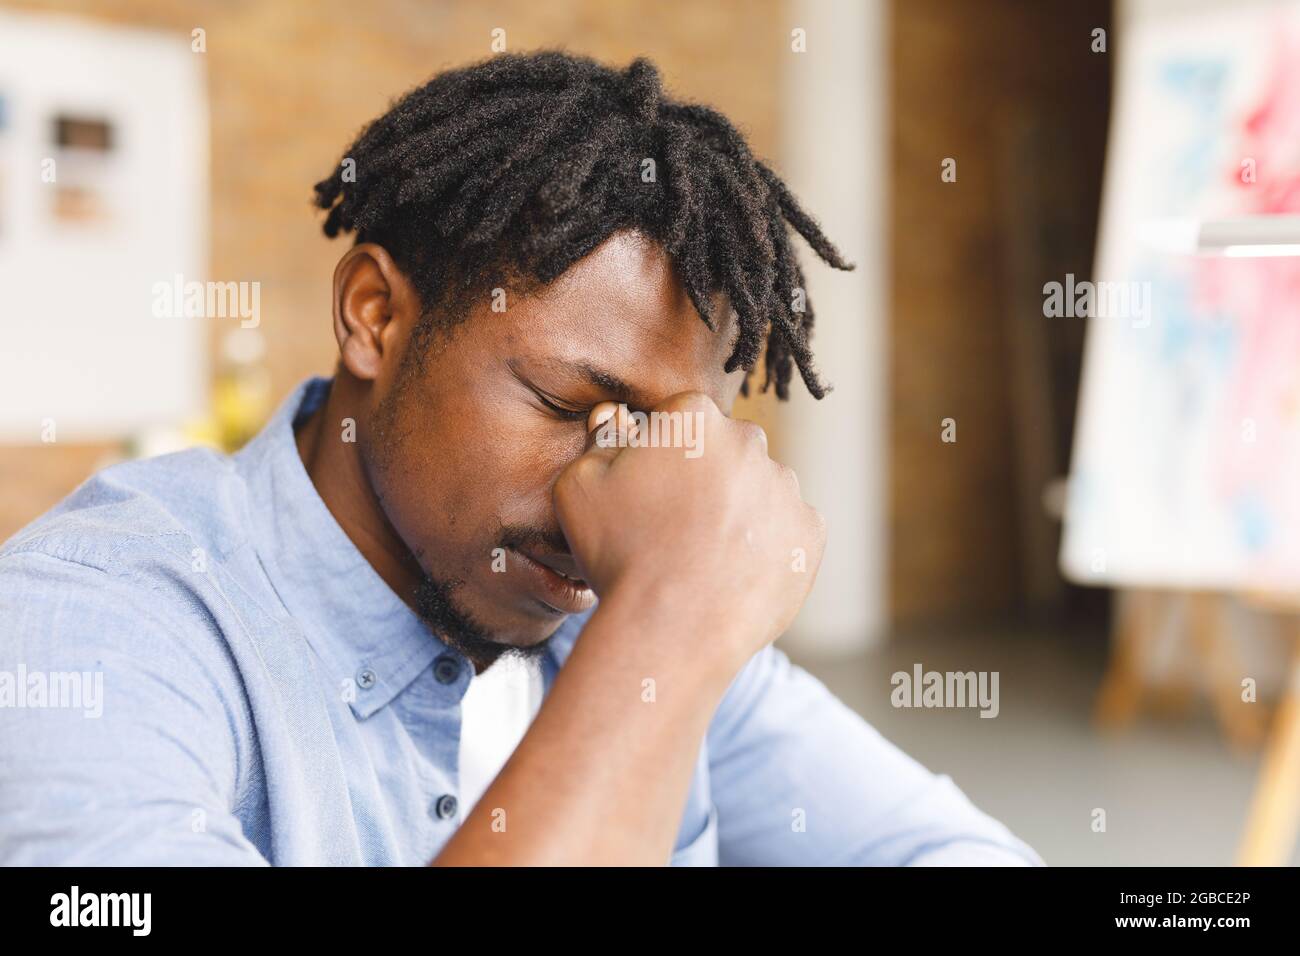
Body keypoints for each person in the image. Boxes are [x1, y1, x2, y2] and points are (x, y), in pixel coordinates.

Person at [0, 51, 1042, 866]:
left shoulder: (626, 605)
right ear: (374, 315)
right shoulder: (90, 626)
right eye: (564, 401)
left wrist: (663, 631)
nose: (608, 490)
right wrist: (665, 631)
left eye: (665, 436)